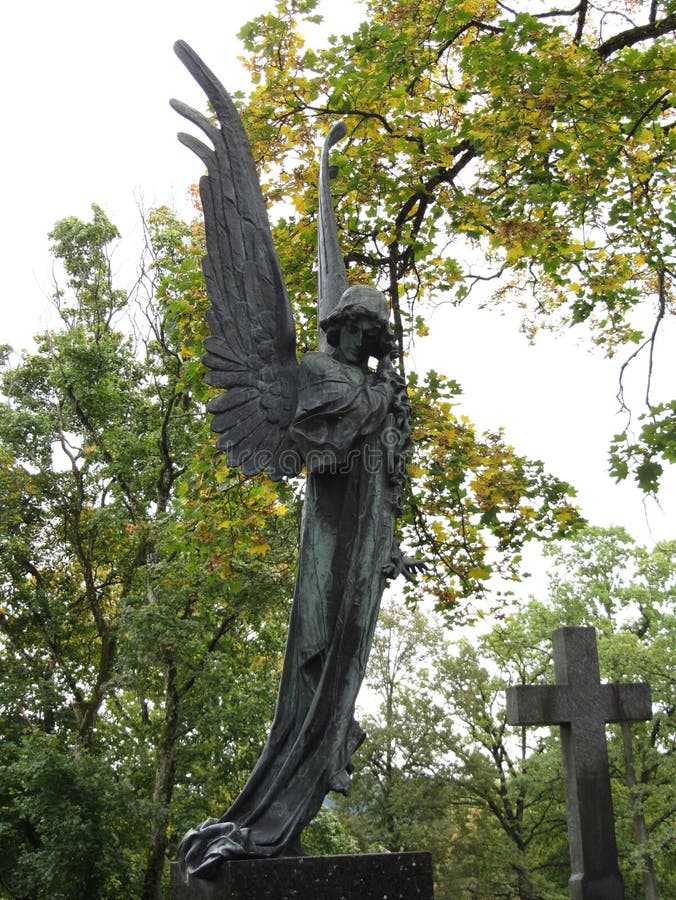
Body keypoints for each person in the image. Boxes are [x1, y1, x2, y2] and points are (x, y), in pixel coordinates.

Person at [178, 285, 417, 876]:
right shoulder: (318, 370)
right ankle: (270, 814)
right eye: (363, 328)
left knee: (346, 673)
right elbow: (323, 447)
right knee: (319, 667)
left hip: (366, 547)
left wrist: (391, 544)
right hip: (332, 545)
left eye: (377, 331)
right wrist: (379, 401)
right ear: (344, 327)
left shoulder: (376, 386)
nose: (372, 340)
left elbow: (388, 474)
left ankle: (296, 801)